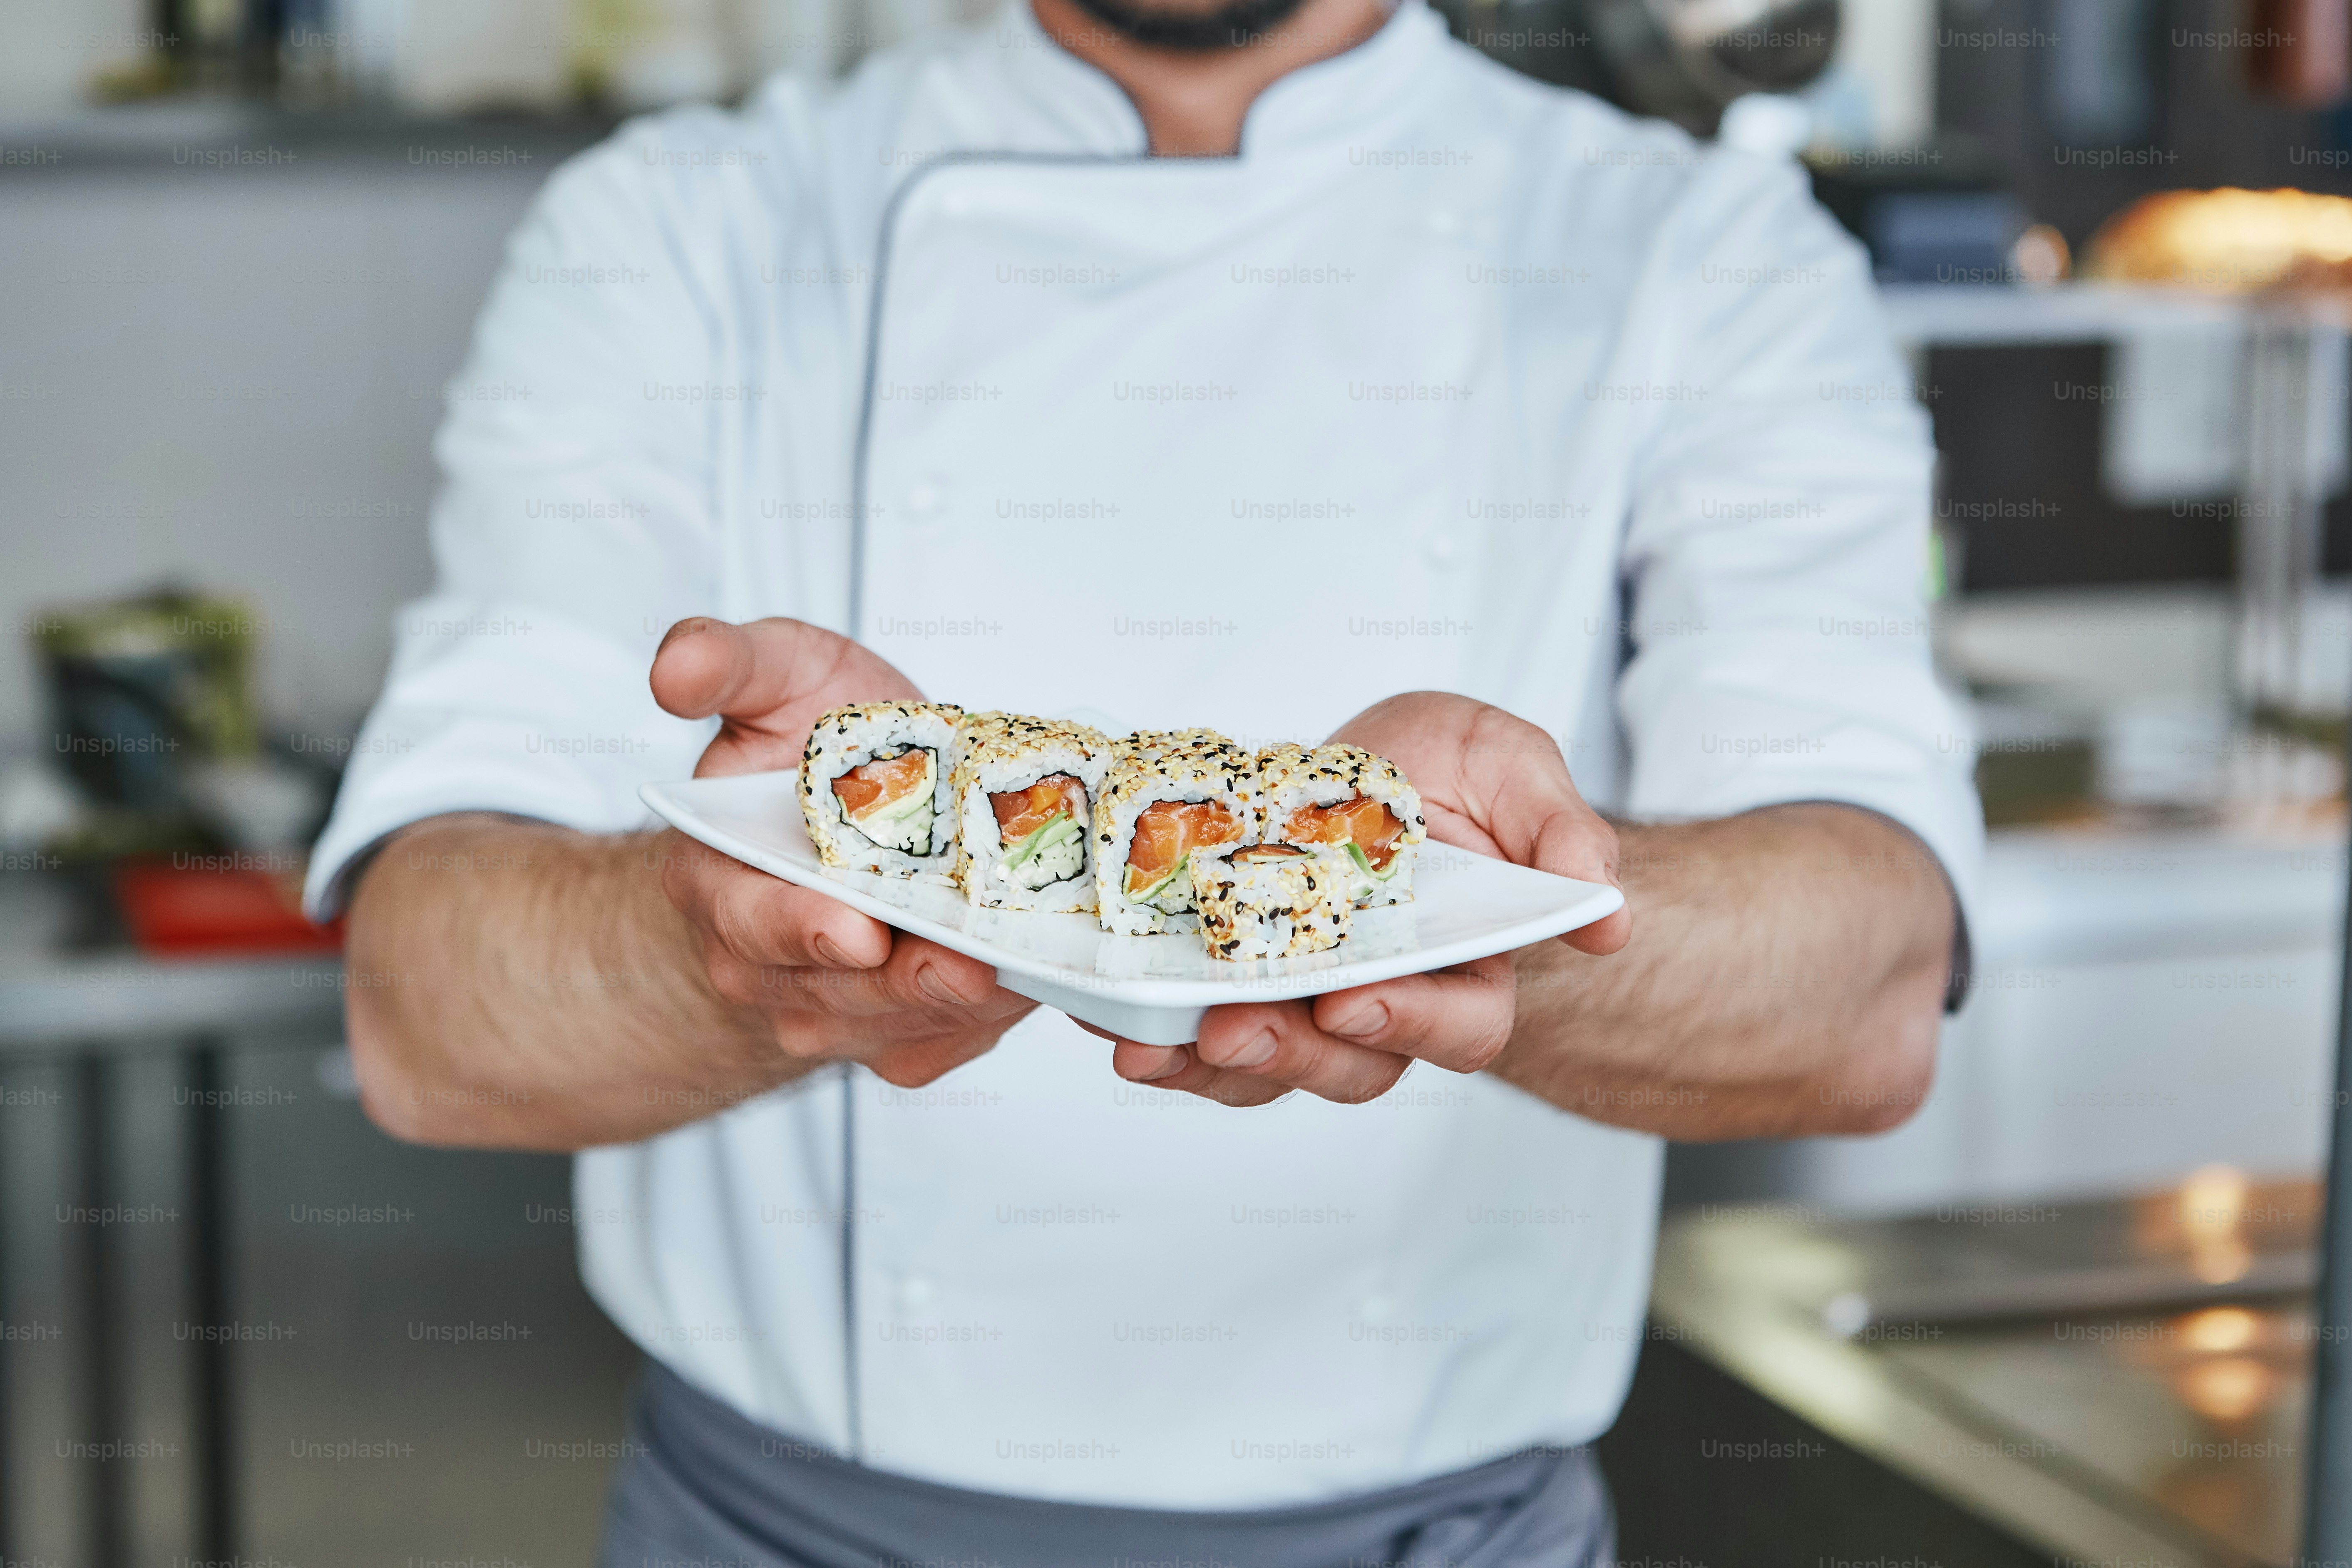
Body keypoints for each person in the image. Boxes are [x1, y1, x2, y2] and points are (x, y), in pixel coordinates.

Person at [305, 0, 1979, 1557]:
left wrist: (1451, 915)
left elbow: (1870, 995)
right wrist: (732, 947)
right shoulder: (680, 224)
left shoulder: (1702, 249)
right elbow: (425, 1018)